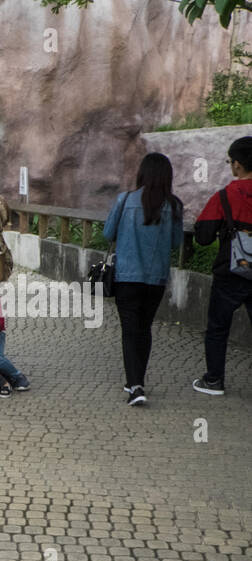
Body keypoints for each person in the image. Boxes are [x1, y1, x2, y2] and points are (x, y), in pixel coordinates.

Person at [100, 153, 184, 405]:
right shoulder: (174, 205)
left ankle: (135, 386)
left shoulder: (125, 200)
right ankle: (137, 380)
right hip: (155, 278)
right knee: (144, 328)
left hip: (126, 276)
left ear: (142, 173)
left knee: (129, 330)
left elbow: (107, 233)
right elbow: (177, 242)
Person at [192, 136, 252, 396]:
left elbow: (203, 237)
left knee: (218, 328)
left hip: (230, 272)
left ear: (237, 164)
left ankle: (214, 380)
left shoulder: (224, 197)